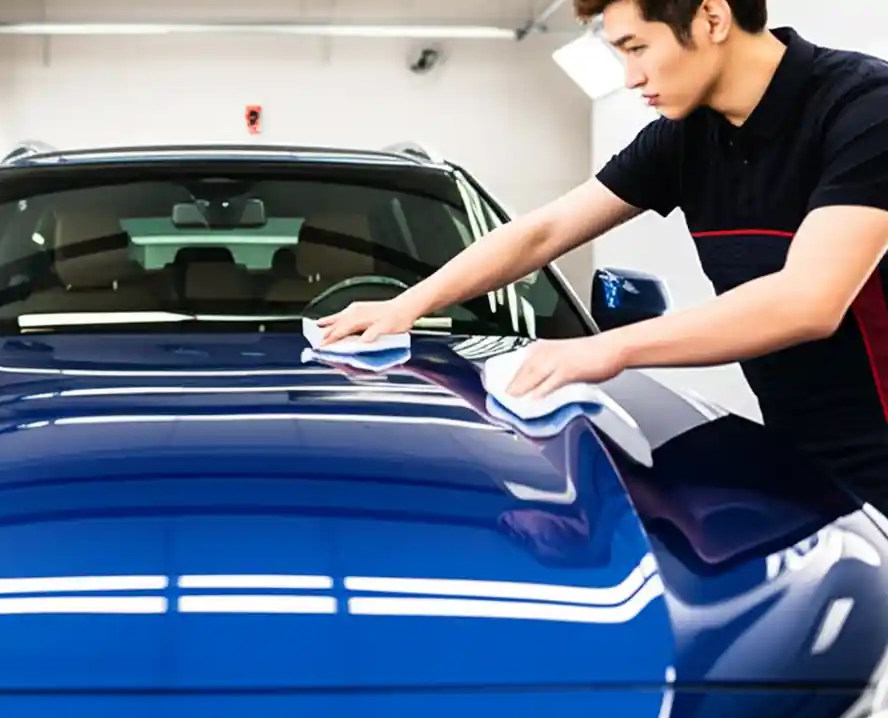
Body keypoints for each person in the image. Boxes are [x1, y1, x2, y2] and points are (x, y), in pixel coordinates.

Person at [318, 0, 888, 504]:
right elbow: (545, 231)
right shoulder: (688, 136)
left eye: (637, 48)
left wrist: (606, 349)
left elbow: (808, 301)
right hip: (798, 453)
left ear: (712, 17)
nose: (631, 77)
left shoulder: (864, 108)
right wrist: (405, 305)